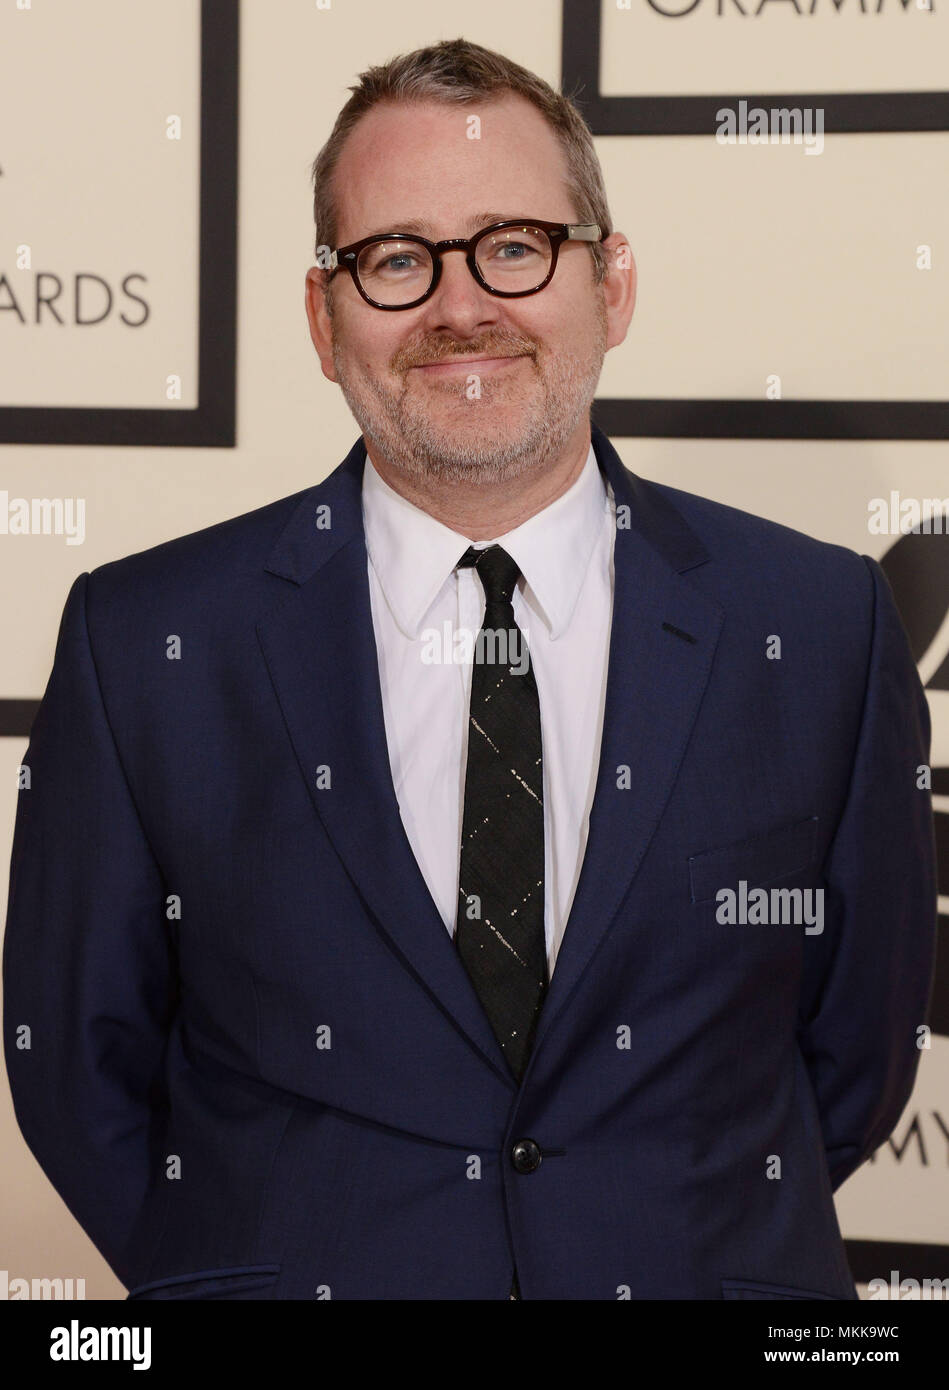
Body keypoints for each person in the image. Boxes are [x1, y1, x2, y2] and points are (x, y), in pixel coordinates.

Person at [3, 38, 937, 1302]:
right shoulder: (147, 639)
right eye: (395, 258)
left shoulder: (819, 621)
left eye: (513, 245)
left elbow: (855, 1048)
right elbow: (77, 1063)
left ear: (610, 285)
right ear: (323, 319)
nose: (459, 307)